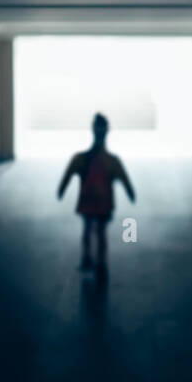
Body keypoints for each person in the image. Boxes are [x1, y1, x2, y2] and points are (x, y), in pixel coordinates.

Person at [56, 113, 135, 281]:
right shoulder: (110, 160)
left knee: (90, 229)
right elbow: (124, 178)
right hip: (102, 202)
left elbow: (68, 175)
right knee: (99, 231)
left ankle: (90, 259)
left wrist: (61, 190)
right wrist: (130, 193)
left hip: (89, 201)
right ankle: (99, 262)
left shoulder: (83, 158)